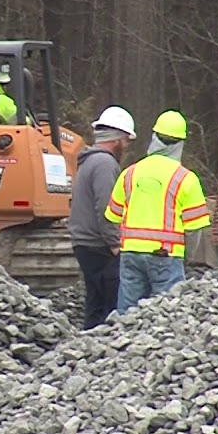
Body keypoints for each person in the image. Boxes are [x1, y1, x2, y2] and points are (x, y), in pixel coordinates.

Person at [105, 109, 211, 315]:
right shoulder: (186, 179)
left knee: (127, 314)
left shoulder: (130, 173)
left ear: (154, 137)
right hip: (166, 256)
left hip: (131, 255)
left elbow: (112, 217)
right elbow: (194, 230)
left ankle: (125, 345)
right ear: (180, 143)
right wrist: (185, 257)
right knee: (167, 315)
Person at [69, 106, 136, 330]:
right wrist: (115, 244)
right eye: (126, 140)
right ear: (117, 139)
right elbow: (107, 209)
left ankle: (86, 348)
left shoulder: (89, 161)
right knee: (109, 307)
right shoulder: (105, 164)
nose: (126, 146)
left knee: (95, 305)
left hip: (86, 243)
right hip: (99, 245)